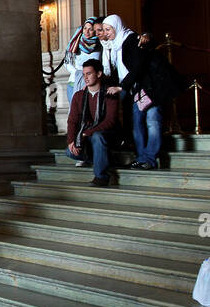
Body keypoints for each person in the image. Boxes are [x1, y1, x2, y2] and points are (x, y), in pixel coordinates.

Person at [100, 14, 162, 170]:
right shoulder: (115, 45)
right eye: (105, 30)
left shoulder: (132, 39)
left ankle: (149, 158)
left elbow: (139, 66)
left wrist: (122, 87)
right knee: (137, 124)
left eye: (108, 29)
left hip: (148, 88)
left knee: (152, 122)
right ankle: (141, 158)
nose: (106, 32)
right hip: (134, 90)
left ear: (117, 26)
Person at [66, 60, 121, 187]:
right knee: (69, 152)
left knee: (97, 136)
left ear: (99, 74)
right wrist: (71, 140)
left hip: (107, 134)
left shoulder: (109, 93)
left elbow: (110, 121)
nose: (85, 77)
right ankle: (104, 159)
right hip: (86, 136)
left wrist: (87, 133)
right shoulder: (79, 95)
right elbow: (72, 120)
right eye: (84, 74)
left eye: (89, 74)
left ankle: (101, 177)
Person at [64, 17, 103, 104]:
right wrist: (77, 73)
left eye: (91, 29)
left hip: (93, 83)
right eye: (85, 28)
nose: (87, 32)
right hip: (74, 81)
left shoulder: (100, 44)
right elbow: (66, 62)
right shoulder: (76, 43)